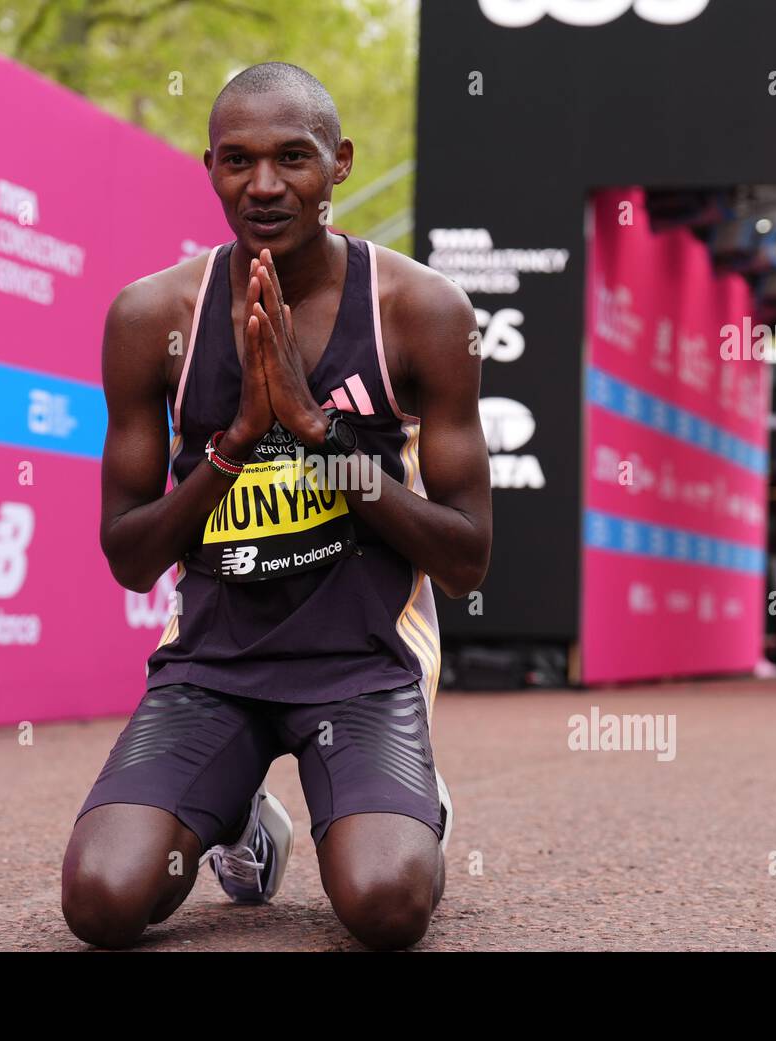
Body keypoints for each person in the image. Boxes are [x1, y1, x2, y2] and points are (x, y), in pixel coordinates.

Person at [61, 62, 491, 951]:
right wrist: (236, 446)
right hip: (213, 667)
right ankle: (245, 818)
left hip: (364, 664)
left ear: (340, 163)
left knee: (384, 907)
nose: (263, 185)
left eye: (293, 157)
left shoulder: (419, 310)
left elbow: (464, 559)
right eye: (237, 160)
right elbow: (132, 557)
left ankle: (414, 801)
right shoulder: (151, 316)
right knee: (101, 904)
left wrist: (324, 437)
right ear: (210, 166)